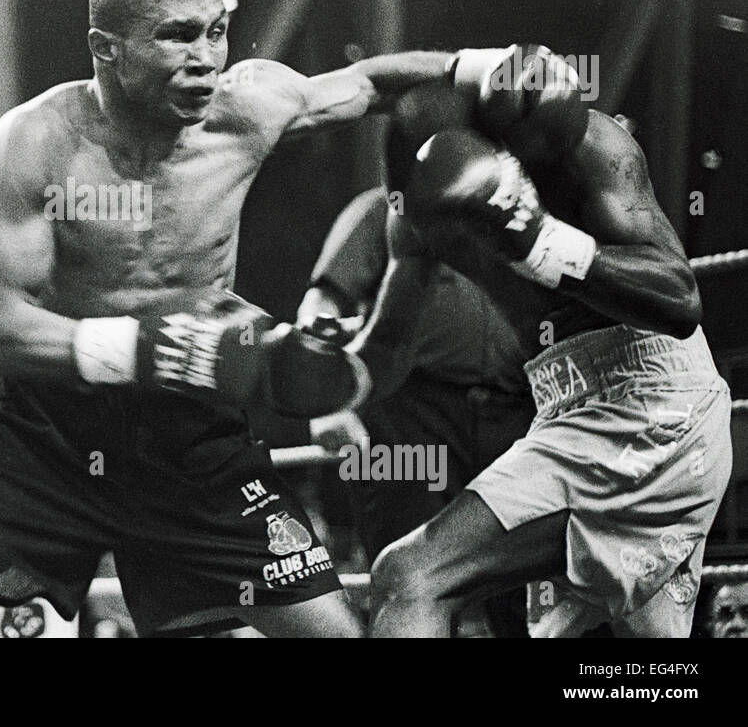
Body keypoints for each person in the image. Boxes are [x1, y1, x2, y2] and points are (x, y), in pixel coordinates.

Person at [0, 0, 469, 638]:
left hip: (192, 444)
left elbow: (369, 85)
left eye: (216, 30)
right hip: (48, 434)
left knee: (339, 637)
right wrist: (157, 349)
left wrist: (482, 67)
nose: (205, 56)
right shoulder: (37, 140)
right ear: (105, 48)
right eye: (177, 35)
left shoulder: (248, 109)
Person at [303, 46, 732, 636]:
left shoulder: (594, 148)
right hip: (563, 402)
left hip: (655, 400)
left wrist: (539, 239)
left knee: (410, 577)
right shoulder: (412, 214)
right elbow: (387, 351)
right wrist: (320, 378)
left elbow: (681, 301)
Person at [297, 187, 536, 635]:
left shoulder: (522, 210)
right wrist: (322, 398)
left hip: (518, 415)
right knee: (406, 579)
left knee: (527, 595)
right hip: (407, 415)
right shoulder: (386, 208)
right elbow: (324, 304)